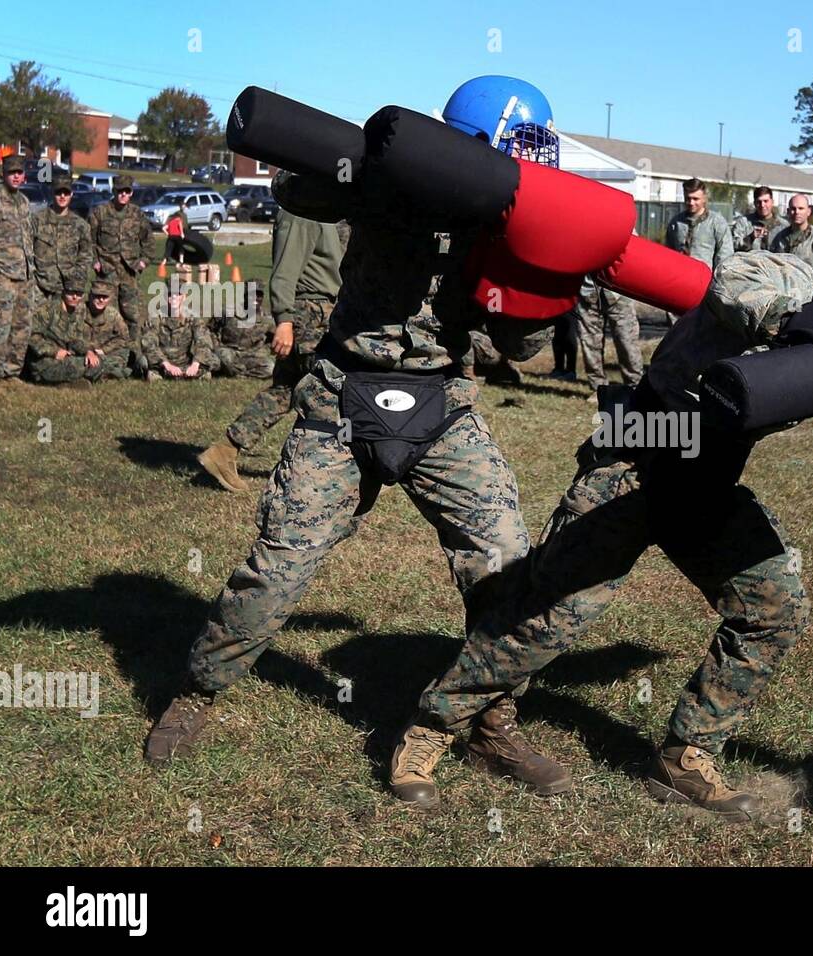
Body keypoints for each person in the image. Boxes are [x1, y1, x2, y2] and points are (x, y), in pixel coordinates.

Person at [145, 77, 573, 807]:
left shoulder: (509, 219)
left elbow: (518, 346)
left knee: (505, 562)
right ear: (478, 139)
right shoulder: (394, 182)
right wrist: (379, 182)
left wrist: (543, 269)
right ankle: (197, 691)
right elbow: (295, 191)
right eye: (523, 142)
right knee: (280, 566)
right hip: (346, 392)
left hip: (444, 402)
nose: (534, 160)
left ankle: (492, 721)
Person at [402, 252, 813, 821]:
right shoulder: (791, 277)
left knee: (775, 607)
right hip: (635, 459)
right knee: (545, 616)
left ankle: (686, 757)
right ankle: (432, 729)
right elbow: (730, 283)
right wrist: (795, 324)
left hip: (704, 483)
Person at [198, 203, 346, 492]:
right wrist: (284, 320)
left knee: (285, 391)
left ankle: (225, 451)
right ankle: (314, 473)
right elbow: (284, 270)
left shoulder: (322, 210)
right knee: (325, 396)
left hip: (319, 314)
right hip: (308, 316)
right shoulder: (302, 212)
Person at [90, 174, 153, 373]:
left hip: (129, 272)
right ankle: (107, 353)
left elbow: (149, 241)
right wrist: (95, 260)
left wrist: (144, 260)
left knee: (132, 315)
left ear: (131, 193)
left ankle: (131, 354)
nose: (123, 195)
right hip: (107, 272)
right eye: (119, 191)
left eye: (127, 191)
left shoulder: (137, 214)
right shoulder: (100, 212)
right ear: (114, 192)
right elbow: (88, 239)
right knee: (106, 313)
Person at [26, 280, 130, 387]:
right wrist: (54, 351)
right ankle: (65, 383)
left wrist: (88, 352)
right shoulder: (48, 310)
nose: (75, 297)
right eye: (71, 293)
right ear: (63, 292)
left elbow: (74, 339)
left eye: (79, 294)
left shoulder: (74, 313)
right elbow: (30, 335)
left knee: (95, 363)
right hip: (45, 361)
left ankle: (73, 382)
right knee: (90, 366)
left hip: (67, 358)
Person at [0, 153, 38, 382]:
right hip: (2, 274)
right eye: (12, 172)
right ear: (3, 174)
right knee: (0, 324)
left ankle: (12, 372)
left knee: (21, 325)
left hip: (25, 273)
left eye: (19, 172)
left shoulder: (23, 201)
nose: (16, 176)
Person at [573, 275, 642, 400]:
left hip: (618, 292)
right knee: (589, 343)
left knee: (627, 341)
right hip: (587, 292)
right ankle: (598, 388)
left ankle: (635, 386)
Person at [32, 171, 93, 301]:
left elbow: (86, 256)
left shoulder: (80, 225)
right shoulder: (37, 220)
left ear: (71, 194)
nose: (62, 196)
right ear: (52, 193)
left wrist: (76, 281)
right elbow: (28, 251)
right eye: (58, 192)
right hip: (39, 288)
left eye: (66, 193)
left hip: (68, 289)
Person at [141, 287, 215, 381]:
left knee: (212, 361)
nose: (174, 298)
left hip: (185, 363)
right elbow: (149, 343)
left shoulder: (192, 317)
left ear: (184, 297)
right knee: (144, 362)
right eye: (171, 295)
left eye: (178, 294)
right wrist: (166, 364)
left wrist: (195, 364)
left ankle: (188, 374)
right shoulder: (155, 316)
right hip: (162, 363)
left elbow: (204, 342)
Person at [665, 178, 733, 271]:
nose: (691, 203)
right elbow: (668, 253)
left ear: (704, 198)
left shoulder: (717, 223)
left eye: (695, 199)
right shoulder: (676, 223)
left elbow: (725, 257)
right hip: (678, 278)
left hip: (704, 280)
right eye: (688, 198)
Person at [770, 194, 813, 274]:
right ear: (788, 211)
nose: (797, 212)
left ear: (808, 211)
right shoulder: (780, 238)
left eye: (801, 208)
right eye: (793, 209)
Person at [731, 186, 787, 253]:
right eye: (759, 202)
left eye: (766, 201)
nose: (762, 205)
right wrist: (750, 238)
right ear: (754, 203)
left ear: (772, 202)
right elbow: (732, 245)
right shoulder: (743, 223)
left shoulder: (783, 226)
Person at [550, 308, 579, 381]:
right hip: (554, 304)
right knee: (557, 335)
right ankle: (558, 369)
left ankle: (571, 371)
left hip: (569, 304)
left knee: (569, 336)